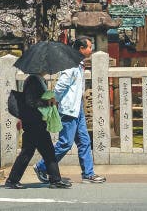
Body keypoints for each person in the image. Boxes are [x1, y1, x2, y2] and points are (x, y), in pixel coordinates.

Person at [33, 37, 106, 184]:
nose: (91, 50)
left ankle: (88, 174)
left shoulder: (77, 64)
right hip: (68, 110)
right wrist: (56, 100)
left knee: (84, 141)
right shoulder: (71, 65)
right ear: (81, 49)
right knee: (65, 143)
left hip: (77, 109)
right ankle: (41, 166)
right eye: (89, 47)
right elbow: (61, 86)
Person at [5, 72, 72, 189]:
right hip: (33, 123)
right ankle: (12, 180)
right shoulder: (32, 80)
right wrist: (47, 102)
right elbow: (31, 102)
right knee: (29, 152)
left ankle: (55, 179)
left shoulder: (40, 80)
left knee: (47, 152)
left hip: (38, 122)